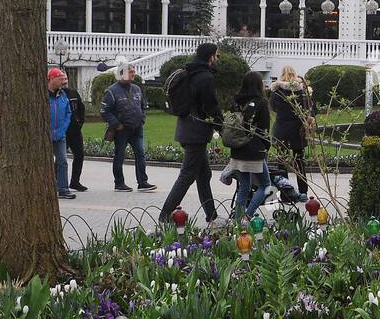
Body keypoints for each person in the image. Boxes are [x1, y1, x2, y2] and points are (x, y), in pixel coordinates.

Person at [158, 43, 224, 225]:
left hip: (187, 128)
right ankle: (164, 216)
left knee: (204, 175)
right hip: (196, 132)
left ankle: (212, 216)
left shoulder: (191, 72)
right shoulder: (204, 77)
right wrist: (222, 127)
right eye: (216, 56)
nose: (217, 59)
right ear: (210, 57)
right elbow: (211, 106)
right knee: (187, 175)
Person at [102, 64, 156, 193]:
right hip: (121, 129)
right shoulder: (111, 91)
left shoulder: (137, 88)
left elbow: (143, 106)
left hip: (137, 128)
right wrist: (116, 124)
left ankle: (142, 182)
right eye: (130, 72)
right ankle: (119, 183)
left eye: (133, 72)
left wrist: (142, 119)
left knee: (140, 154)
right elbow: (105, 112)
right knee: (119, 156)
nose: (133, 74)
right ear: (122, 74)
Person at [227, 71, 272, 221]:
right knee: (265, 185)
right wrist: (267, 146)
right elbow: (264, 129)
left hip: (237, 149)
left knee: (244, 186)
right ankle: (248, 215)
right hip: (254, 150)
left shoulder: (236, 102)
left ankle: (238, 219)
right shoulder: (261, 103)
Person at [270, 66, 313, 199]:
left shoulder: (277, 91)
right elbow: (310, 107)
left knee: (282, 162)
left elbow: (273, 107)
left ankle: (286, 192)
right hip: (297, 129)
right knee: (299, 160)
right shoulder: (302, 91)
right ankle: (303, 192)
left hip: (281, 128)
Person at [47, 67, 75, 199]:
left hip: (60, 134)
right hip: (46, 135)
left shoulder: (63, 95)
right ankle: (47, 187)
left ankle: (63, 188)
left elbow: (68, 113)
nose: (62, 82)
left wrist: (62, 129)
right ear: (52, 79)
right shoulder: (43, 95)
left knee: (62, 161)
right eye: (60, 79)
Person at [61, 72, 87, 192]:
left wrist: (80, 122)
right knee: (61, 158)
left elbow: (81, 108)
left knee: (79, 154)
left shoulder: (73, 93)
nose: (65, 81)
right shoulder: (56, 95)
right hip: (62, 131)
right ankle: (60, 182)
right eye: (62, 79)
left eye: (66, 78)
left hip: (75, 130)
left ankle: (75, 182)